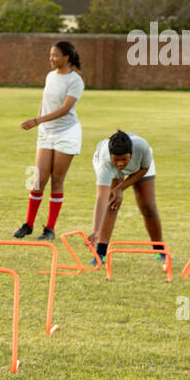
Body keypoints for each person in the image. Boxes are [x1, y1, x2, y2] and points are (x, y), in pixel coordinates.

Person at [13, 41, 84, 242]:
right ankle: (28, 224)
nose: (51, 59)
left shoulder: (75, 81)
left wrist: (36, 121)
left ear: (66, 57)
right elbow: (44, 102)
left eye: (55, 55)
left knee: (57, 181)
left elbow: (64, 109)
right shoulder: (50, 76)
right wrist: (39, 123)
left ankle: (50, 229)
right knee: (38, 180)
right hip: (46, 132)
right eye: (50, 55)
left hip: (67, 133)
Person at [89, 129, 165, 267]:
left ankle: (160, 252)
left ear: (130, 154)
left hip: (140, 166)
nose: (120, 163)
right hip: (107, 165)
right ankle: (100, 253)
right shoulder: (105, 162)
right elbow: (101, 197)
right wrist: (96, 229)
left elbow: (144, 168)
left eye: (124, 159)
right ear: (111, 156)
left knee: (148, 207)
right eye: (116, 160)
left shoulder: (142, 147)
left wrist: (120, 188)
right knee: (112, 203)